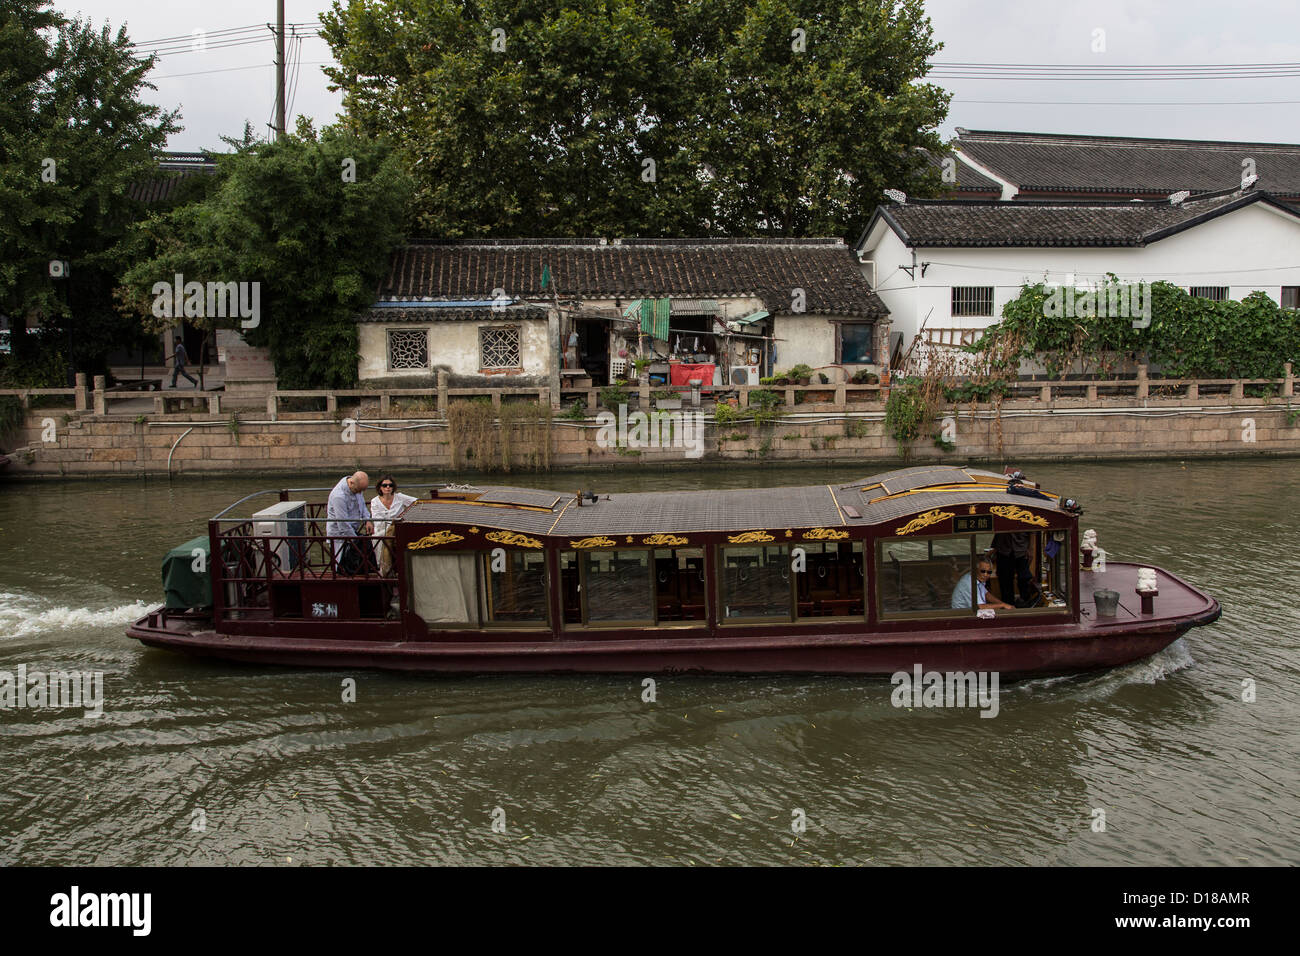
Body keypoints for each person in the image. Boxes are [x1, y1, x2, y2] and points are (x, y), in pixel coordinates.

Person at [327, 471, 373, 572]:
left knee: (357, 562)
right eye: (358, 490)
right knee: (341, 566)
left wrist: (367, 520)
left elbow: (362, 505)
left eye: (362, 490)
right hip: (339, 536)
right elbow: (343, 524)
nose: (360, 493)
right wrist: (355, 541)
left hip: (352, 531)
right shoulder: (338, 496)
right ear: (351, 483)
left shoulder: (356, 488)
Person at [369, 475, 417, 573]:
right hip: (382, 529)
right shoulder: (374, 501)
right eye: (385, 485)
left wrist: (407, 513)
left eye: (390, 485)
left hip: (398, 528)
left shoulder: (400, 497)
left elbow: (417, 502)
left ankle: (403, 566)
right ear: (380, 487)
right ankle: (382, 566)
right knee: (378, 537)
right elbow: (378, 522)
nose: (388, 487)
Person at [993, 532, 1041, 608]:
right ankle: (1008, 607)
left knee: (1024, 579)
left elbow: (1032, 530)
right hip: (1003, 547)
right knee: (1005, 581)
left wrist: (1031, 548)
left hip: (1022, 547)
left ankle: (1026, 604)